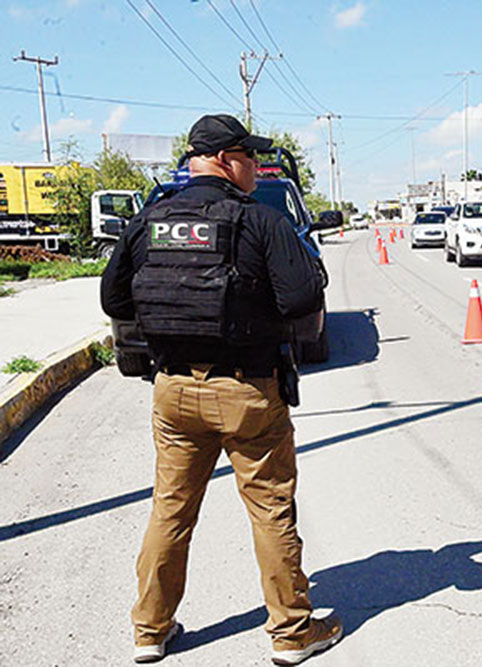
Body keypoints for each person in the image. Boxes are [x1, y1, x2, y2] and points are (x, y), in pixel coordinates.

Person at [100, 114, 340, 665]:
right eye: (250, 157)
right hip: (247, 392)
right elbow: (303, 300)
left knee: (170, 509)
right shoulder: (259, 221)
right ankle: (291, 632)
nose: (257, 166)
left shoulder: (148, 220)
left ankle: (149, 630)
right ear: (224, 159)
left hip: (173, 390)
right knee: (271, 510)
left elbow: (114, 302)